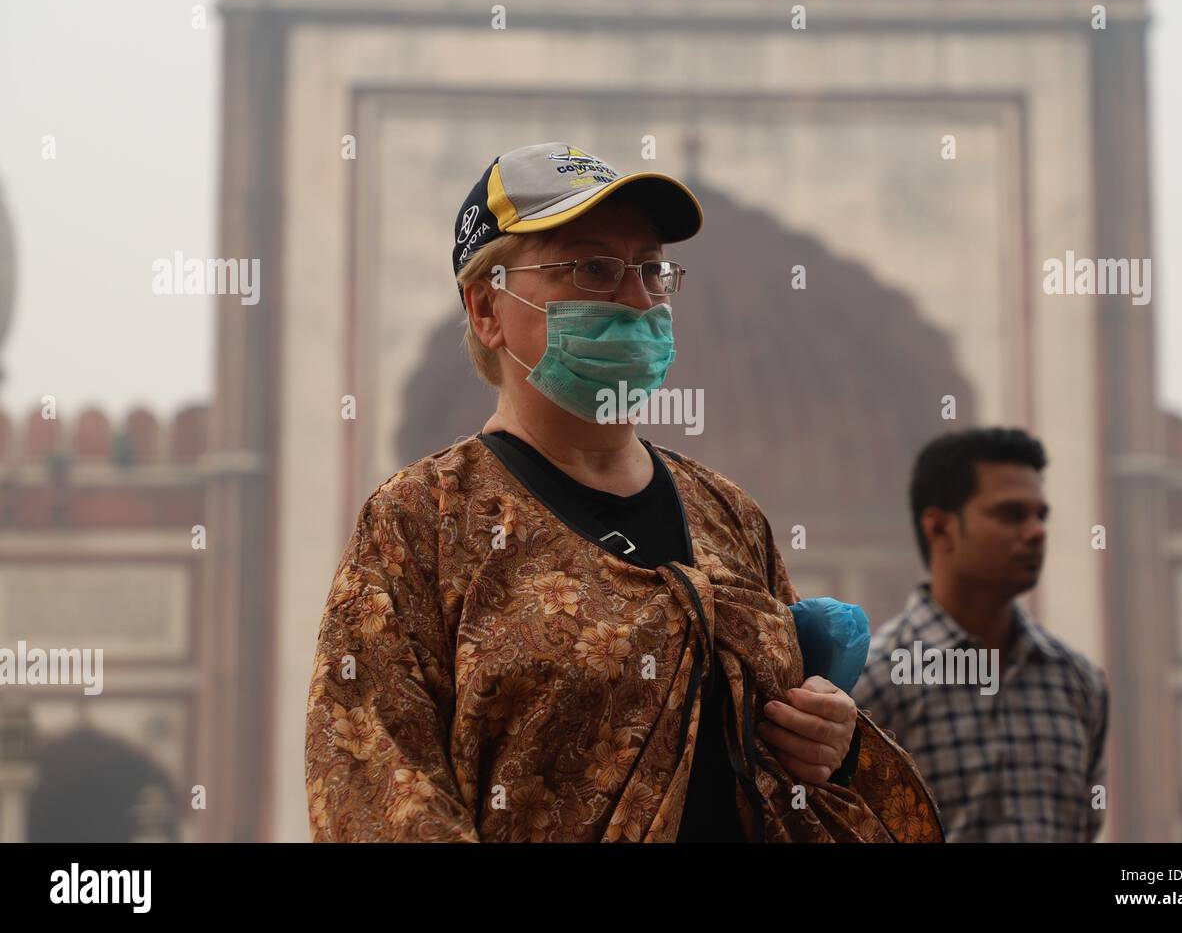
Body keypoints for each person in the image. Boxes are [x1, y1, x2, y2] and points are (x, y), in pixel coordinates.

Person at [304, 141, 943, 842]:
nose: (637, 299)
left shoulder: (726, 513)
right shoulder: (424, 521)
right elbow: (373, 786)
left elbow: (787, 773)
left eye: (651, 270)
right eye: (592, 268)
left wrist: (834, 740)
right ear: (487, 307)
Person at [851, 427, 1109, 841]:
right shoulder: (876, 682)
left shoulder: (1077, 681)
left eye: (1040, 515)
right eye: (1011, 515)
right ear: (940, 529)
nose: (1036, 532)